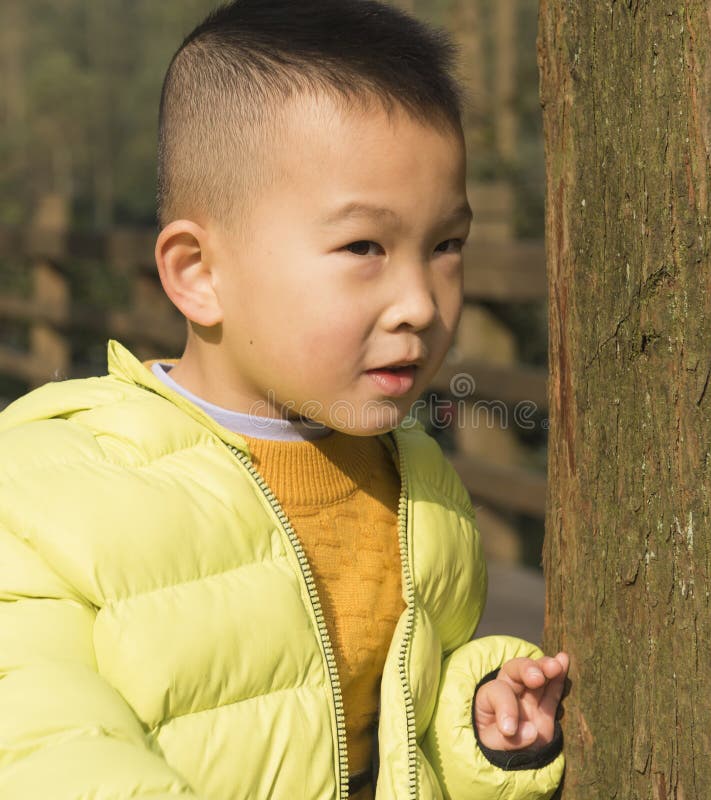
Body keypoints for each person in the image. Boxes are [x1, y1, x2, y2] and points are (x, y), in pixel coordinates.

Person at [0, 1, 570, 798]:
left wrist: (479, 725)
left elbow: (397, 732)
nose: (419, 301)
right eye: (364, 247)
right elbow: (43, 751)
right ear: (200, 274)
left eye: (446, 245)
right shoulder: (46, 495)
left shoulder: (423, 489)